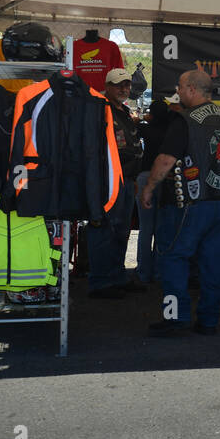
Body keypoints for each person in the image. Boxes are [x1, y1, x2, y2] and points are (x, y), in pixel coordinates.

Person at [138, 70, 220, 336]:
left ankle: (176, 318)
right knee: (214, 262)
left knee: (174, 257)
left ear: (192, 89)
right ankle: (209, 320)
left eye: (181, 87)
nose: (178, 91)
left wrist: (149, 187)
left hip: (190, 202)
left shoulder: (183, 120)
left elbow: (165, 160)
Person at [87, 67, 145, 298]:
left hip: (127, 181)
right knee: (103, 229)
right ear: (108, 86)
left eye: (127, 85)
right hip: (106, 181)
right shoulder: (99, 109)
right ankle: (101, 282)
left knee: (122, 230)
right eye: (119, 84)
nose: (124, 89)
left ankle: (117, 276)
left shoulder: (125, 111)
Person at [135, 97, 172, 284]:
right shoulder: (171, 131)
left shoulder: (146, 129)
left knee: (145, 228)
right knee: (161, 228)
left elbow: (135, 123)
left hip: (145, 177)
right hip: (165, 178)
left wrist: (143, 119)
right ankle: (158, 272)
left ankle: (143, 272)